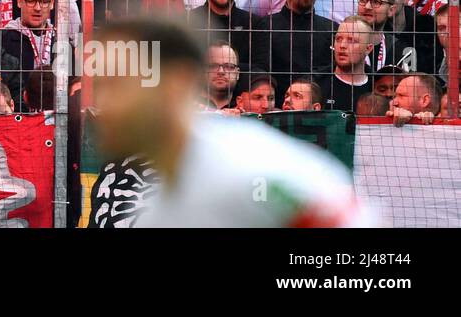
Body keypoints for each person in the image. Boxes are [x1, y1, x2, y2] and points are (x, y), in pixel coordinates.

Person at [89, 17, 371, 226]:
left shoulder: (251, 164)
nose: (105, 102)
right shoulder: (157, 209)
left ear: (176, 83)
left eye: (119, 85)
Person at [255, 0, 338, 94]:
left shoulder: (331, 28)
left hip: (320, 106)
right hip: (278, 106)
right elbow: (259, 71)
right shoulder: (266, 26)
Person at [202, 42, 241, 111]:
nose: (221, 71)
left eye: (228, 66)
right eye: (213, 66)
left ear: (237, 74)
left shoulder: (246, 107)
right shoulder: (186, 105)